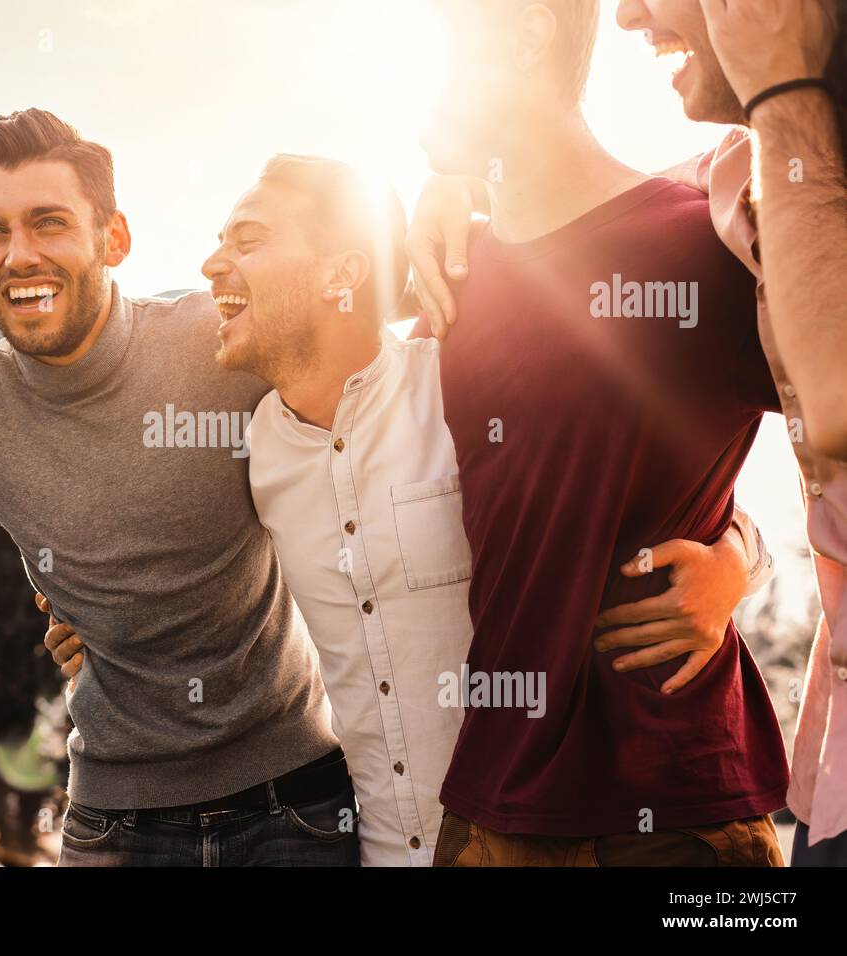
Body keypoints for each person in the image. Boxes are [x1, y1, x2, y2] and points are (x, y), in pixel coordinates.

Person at [50, 153, 774, 865]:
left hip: (537, 835)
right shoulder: (253, 449)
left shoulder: (465, 388)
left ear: (343, 272)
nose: (211, 265)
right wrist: (107, 624)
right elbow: (180, 561)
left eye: (248, 239)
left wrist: (740, 555)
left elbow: (638, 481)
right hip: (379, 849)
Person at [0, 109, 357, 868]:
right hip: (115, 828)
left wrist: (451, 205)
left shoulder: (220, 344)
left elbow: (393, 350)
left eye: (47, 223)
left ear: (113, 239)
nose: (18, 255)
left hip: (301, 804)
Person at [405, 0, 788, 865]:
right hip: (489, 813)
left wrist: (743, 561)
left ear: (529, 31)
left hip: (680, 818)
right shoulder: (448, 279)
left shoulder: (703, 251)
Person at [616, 0, 847, 869]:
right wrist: (456, 199)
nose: (629, 17)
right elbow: (562, 229)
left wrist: (786, 86)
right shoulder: (738, 177)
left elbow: (839, 404)